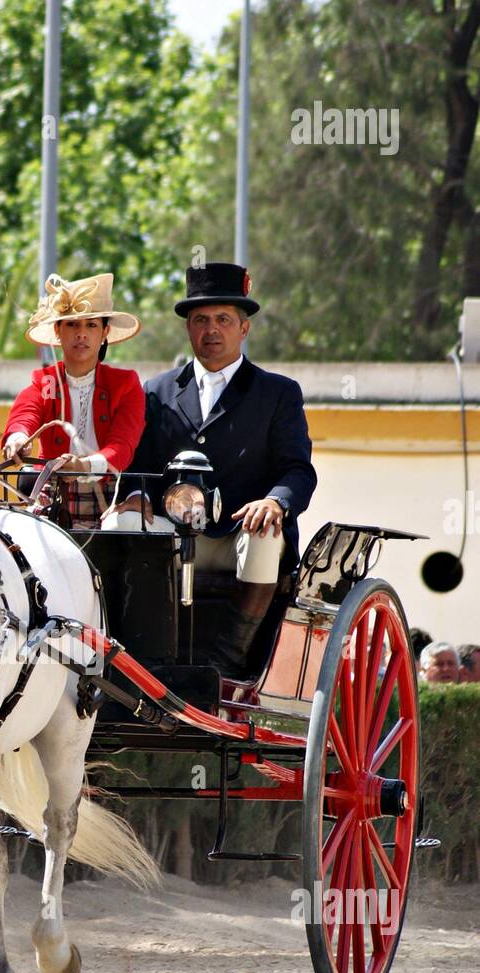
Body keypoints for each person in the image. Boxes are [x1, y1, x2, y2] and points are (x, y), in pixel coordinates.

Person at [104, 262, 317, 678]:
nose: (211, 330)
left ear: (244, 329)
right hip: (172, 535)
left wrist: (275, 501)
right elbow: (137, 466)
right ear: (188, 329)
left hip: (239, 534)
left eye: (223, 319)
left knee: (264, 533)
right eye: (200, 320)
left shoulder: (278, 393)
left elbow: (298, 470)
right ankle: (140, 655)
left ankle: (229, 660)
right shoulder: (157, 391)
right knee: (122, 524)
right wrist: (136, 498)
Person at [1, 273, 145, 528]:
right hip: (52, 492)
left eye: (91, 326)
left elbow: (122, 446)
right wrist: (18, 438)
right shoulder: (45, 381)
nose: (81, 334)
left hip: (111, 496)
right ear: (58, 331)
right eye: (72, 325)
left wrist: (83, 465)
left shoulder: (125, 384)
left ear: (105, 333)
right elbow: (26, 412)